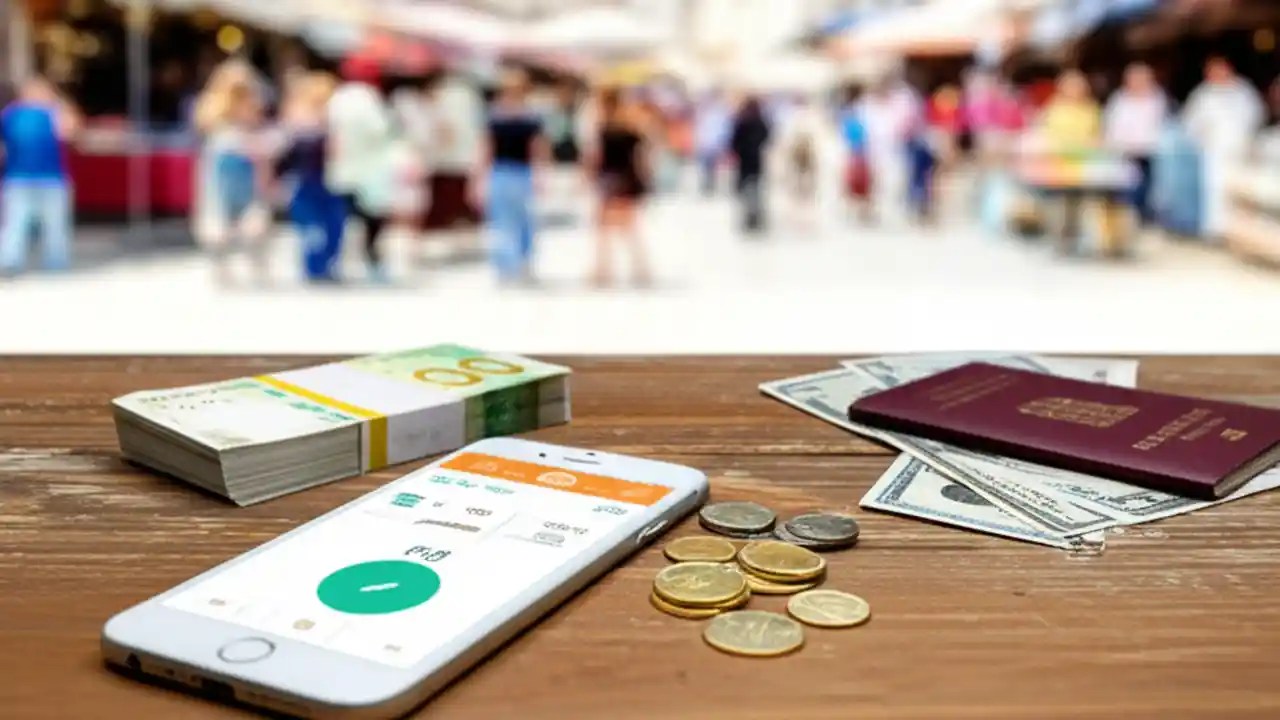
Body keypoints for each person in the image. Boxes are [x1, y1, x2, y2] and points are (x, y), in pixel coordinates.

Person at [193, 61, 272, 286]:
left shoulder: (252, 104)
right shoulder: (212, 109)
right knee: (218, 222)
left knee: (254, 221)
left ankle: (256, 264)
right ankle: (223, 267)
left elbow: (258, 138)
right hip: (222, 173)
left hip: (244, 171)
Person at [0, 76, 80, 276]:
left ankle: (55, 262)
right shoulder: (11, 115)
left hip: (49, 179)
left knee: (54, 224)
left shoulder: (54, 113)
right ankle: (11, 260)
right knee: (15, 223)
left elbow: (70, 130)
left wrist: (61, 104)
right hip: (20, 178)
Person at [328, 55, 398, 283]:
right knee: (371, 221)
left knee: (345, 220)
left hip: (342, 169)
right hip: (369, 171)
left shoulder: (337, 98)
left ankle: (340, 262)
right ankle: (371, 262)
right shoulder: (370, 98)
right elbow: (382, 131)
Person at [1182, 56, 1266, 239]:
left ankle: (1242, 232)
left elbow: (1257, 115)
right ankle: (1215, 231)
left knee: (1242, 192)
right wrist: (1203, 140)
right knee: (1214, 191)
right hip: (1214, 151)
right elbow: (1190, 124)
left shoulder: (1244, 90)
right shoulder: (1202, 95)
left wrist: (1249, 140)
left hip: (1241, 150)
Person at [477, 69, 547, 285]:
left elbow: (485, 149)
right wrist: (540, 173)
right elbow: (539, 149)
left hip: (502, 172)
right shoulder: (530, 116)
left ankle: (507, 265)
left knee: (503, 221)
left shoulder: (495, 116)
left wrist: (478, 176)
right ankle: (521, 262)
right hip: (520, 172)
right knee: (522, 221)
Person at [276, 72, 344, 283]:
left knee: (335, 227)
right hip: (304, 185)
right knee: (312, 230)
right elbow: (283, 158)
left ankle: (326, 266)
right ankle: (314, 270)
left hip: (332, 184)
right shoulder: (296, 126)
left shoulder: (335, 124)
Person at [588, 89, 651, 287]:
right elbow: (640, 157)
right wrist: (644, 181)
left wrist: (589, 177)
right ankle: (640, 268)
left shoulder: (604, 127)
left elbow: (596, 157)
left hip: (609, 180)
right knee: (629, 228)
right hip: (627, 180)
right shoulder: (632, 127)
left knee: (603, 229)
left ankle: (603, 270)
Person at [421, 73, 484, 240]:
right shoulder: (467, 96)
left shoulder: (446, 99)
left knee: (446, 201)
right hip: (461, 158)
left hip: (446, 160)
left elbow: (445, 129)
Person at [1104, 63, 1168, 224]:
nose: (1139, 82)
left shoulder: (1158, 98)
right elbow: (1111, 125)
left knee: (1148, 190)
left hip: (1149, 151)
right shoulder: (1119, 99)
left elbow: (1162, 124)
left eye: (1143, 78)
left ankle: (1144, 219)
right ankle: (1128, 221)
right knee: (1127, 191)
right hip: (1124, 152)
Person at [861, 75, 920, 225]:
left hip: (894, 148)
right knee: (879, 183)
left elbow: (904, 124)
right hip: (876, 150)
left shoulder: (898, 102)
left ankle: (893, 211)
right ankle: (879, 212)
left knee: (897, 181)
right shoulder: (869, 105)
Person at [729, 96, 771, 234]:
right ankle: (756, 218)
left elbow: (733, 142)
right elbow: (768, 138)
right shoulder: (761, 122)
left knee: (747, 190)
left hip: (744, 162)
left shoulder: (741, 122)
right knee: (756, 190)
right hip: (756, 161)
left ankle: (749, 219)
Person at [1040, 70, 1101, 150]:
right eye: (1071, 87)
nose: (1075, 90)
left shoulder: (1092, 107)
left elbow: (1097, 134)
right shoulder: (1053, 107)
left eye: (1078, 87)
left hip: (1086, 151)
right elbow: (1046, 134)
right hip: (1059, 152)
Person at [839, 85, 872, 222]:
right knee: (853, 181)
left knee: (863, 181)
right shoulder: (850, 112)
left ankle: (861, 210)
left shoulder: (861, 110)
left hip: (861, 150)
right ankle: (855, 209)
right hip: (854, 150)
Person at [693, 91, 732, 196]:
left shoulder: (719, 113)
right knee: (705, 167)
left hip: (713, 144)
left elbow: (724, 129)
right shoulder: (703, 113)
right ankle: (707, 186)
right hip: (706, 144)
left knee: (712, 166)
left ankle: (710, 186)